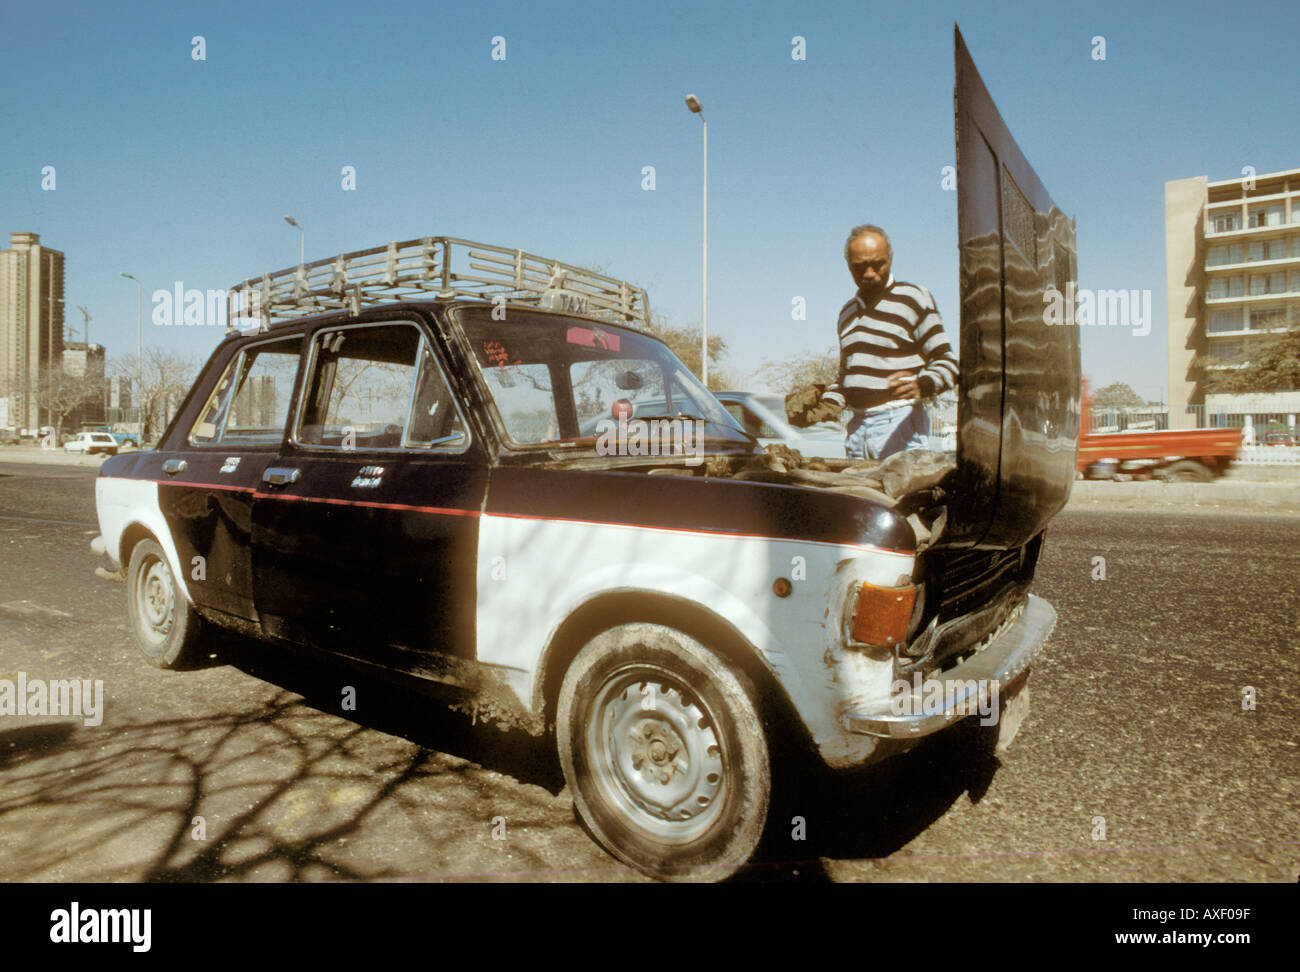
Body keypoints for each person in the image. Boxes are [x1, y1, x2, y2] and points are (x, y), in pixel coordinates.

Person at [795, 225, 958, 461]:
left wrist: (921, 384)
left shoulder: (913, 298)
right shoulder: (847, 313)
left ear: (891, 258)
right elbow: (847, 377)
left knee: (899, 498)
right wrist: (824, 407)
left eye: (878, 264)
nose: (869, 273)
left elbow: (948, 363)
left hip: (899, 425)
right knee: (858, 497)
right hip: (856, 429)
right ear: (848, 265)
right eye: (859, 267)